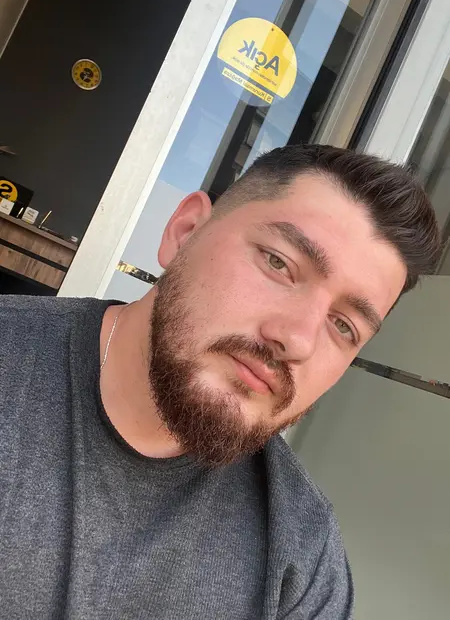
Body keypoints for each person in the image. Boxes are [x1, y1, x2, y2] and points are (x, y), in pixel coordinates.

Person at [0, 144, 441, 619]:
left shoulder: (301, 560)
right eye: (279, 263)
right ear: (185, 231)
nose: (297, 340)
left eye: (343, 326)